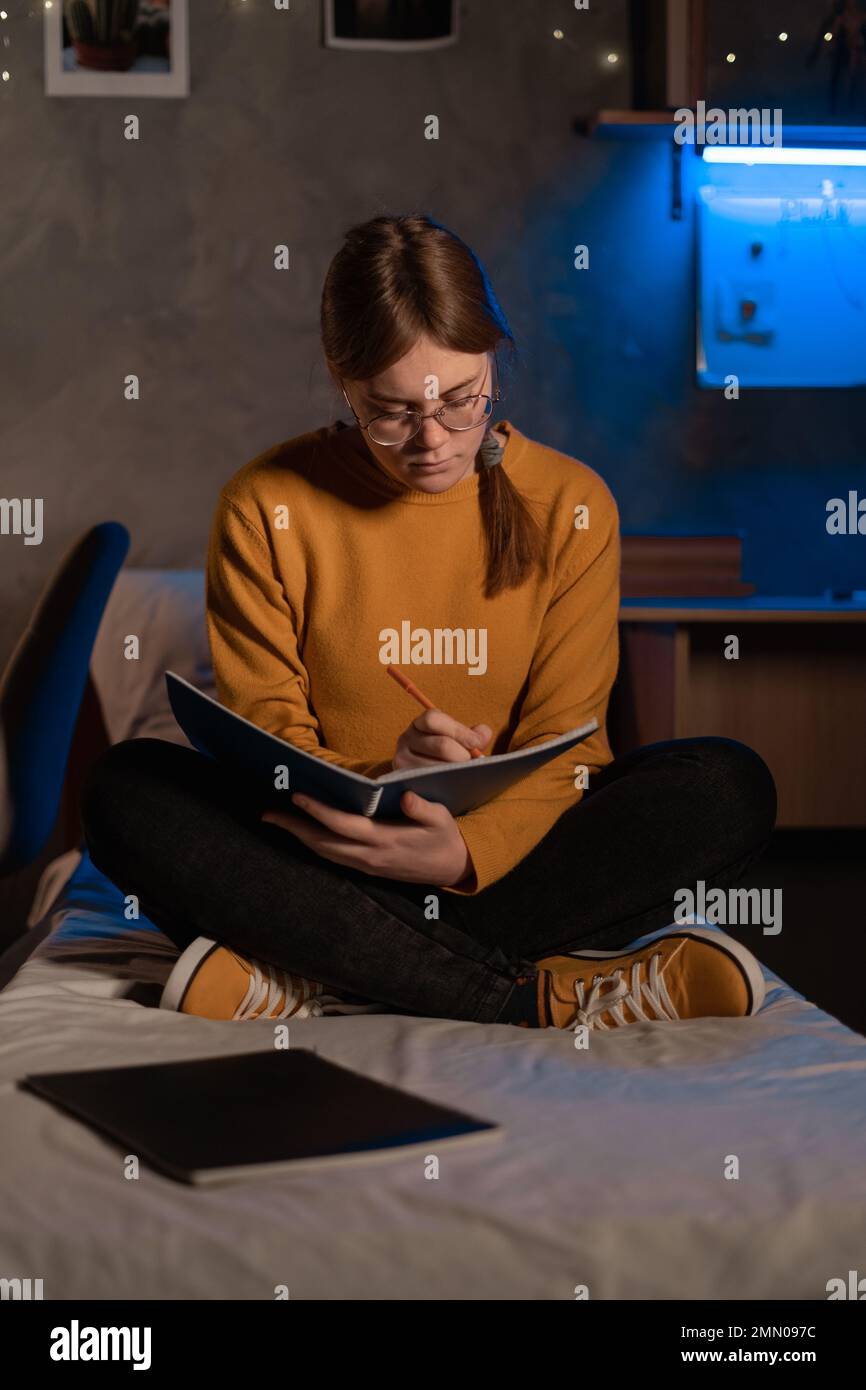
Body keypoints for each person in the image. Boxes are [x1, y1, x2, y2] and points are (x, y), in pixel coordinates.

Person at [81, 214, 776, 1032]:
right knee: (127, 789)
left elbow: (573, 748)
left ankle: (320, 970)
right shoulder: (265, 502)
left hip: (503, 860)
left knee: (728, 786)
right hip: (324, 854)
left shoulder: (573, 505)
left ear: (493, 361)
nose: (433, 442)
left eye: (462, 403)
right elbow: (268, 735)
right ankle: (525, 994)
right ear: (344, 380)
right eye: (393, 412)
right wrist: (383, 778)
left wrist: (462, 853)